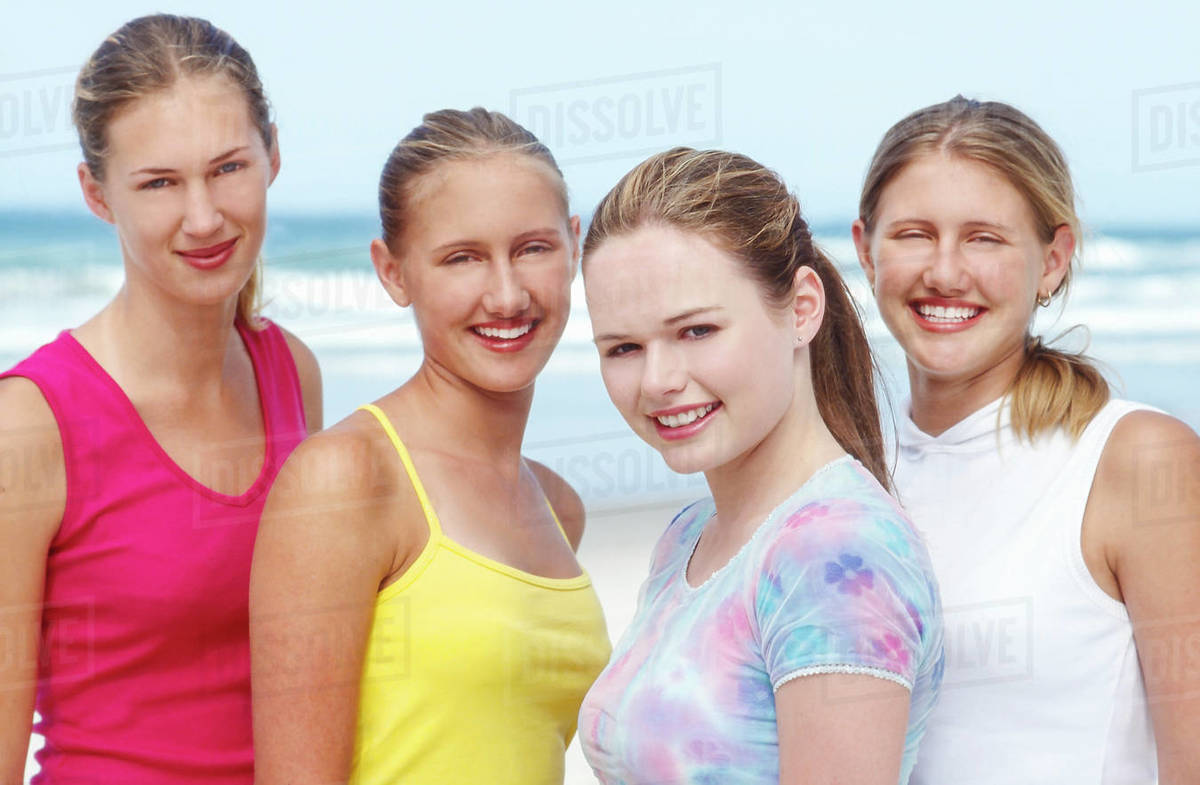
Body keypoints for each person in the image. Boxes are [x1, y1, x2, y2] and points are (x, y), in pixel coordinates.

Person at [0, 14, 322, 785]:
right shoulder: (30, 423)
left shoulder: (292, 372)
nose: (205, 216)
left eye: (228, 168)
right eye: (159, 183)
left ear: (272, 155)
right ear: (97, 192)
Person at [249, 107, 610, 785]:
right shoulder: (347, 477)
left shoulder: (559, 507)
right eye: (462, 258)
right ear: (394, 271)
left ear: (573, 245)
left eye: (533, 247)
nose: (506, 294)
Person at [851, 96, 1200, 784]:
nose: (946, 271)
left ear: (1052, 259)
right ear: (866, 250)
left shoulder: (1134, 458)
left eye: (985, 237)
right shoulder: (850, 472)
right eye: (915, 234)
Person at [577, 147, 943, 785]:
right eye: (624, 347)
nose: (658, 381)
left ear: (802, 308)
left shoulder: (835, 554)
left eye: (696, 331)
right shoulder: (690, 536)